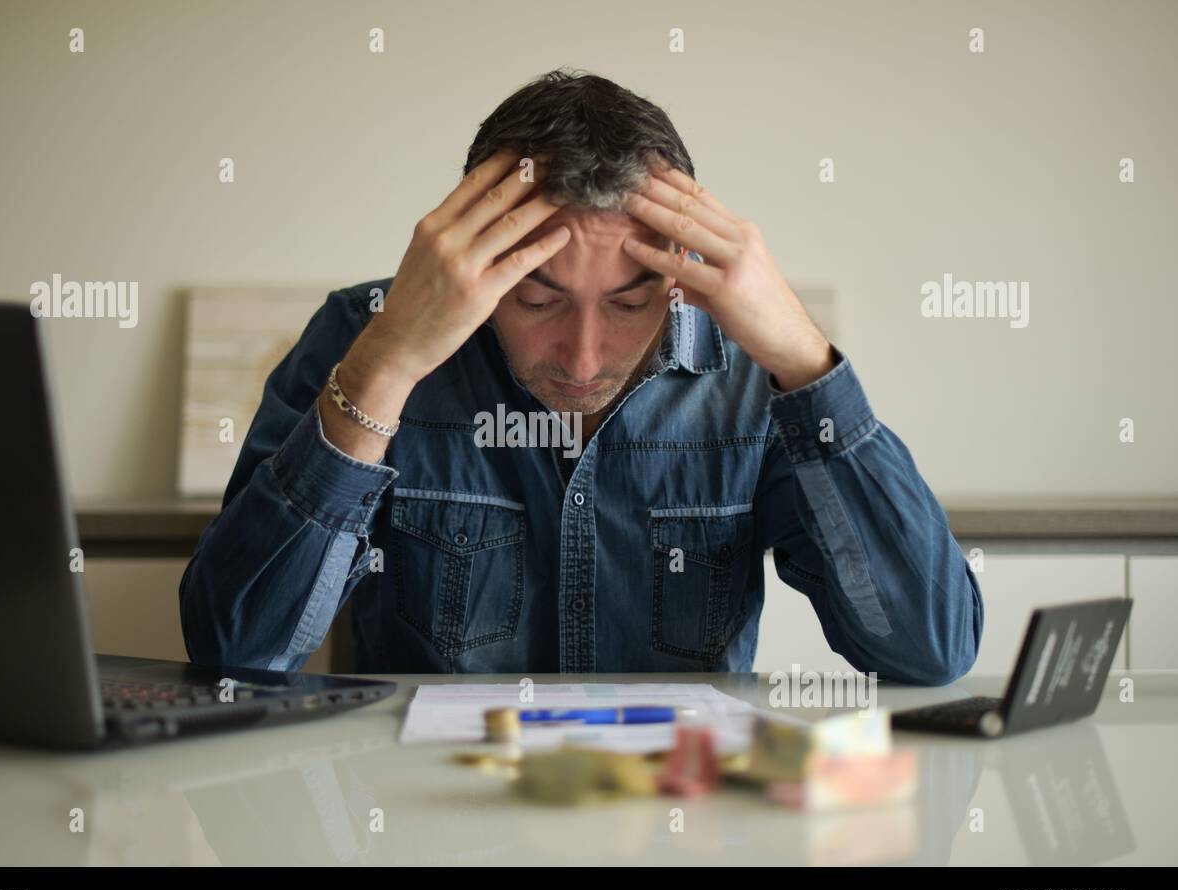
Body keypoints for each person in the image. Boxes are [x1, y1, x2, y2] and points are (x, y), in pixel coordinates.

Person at [179, 68, 983, 682]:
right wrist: (388, 366)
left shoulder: (751, 378)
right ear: (472, 259)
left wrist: (807, 364)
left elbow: (930, 651)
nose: (584, 357)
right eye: (536, 298)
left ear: (679, 274)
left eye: (631, 303)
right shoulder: (365, 341)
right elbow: (237, 654)